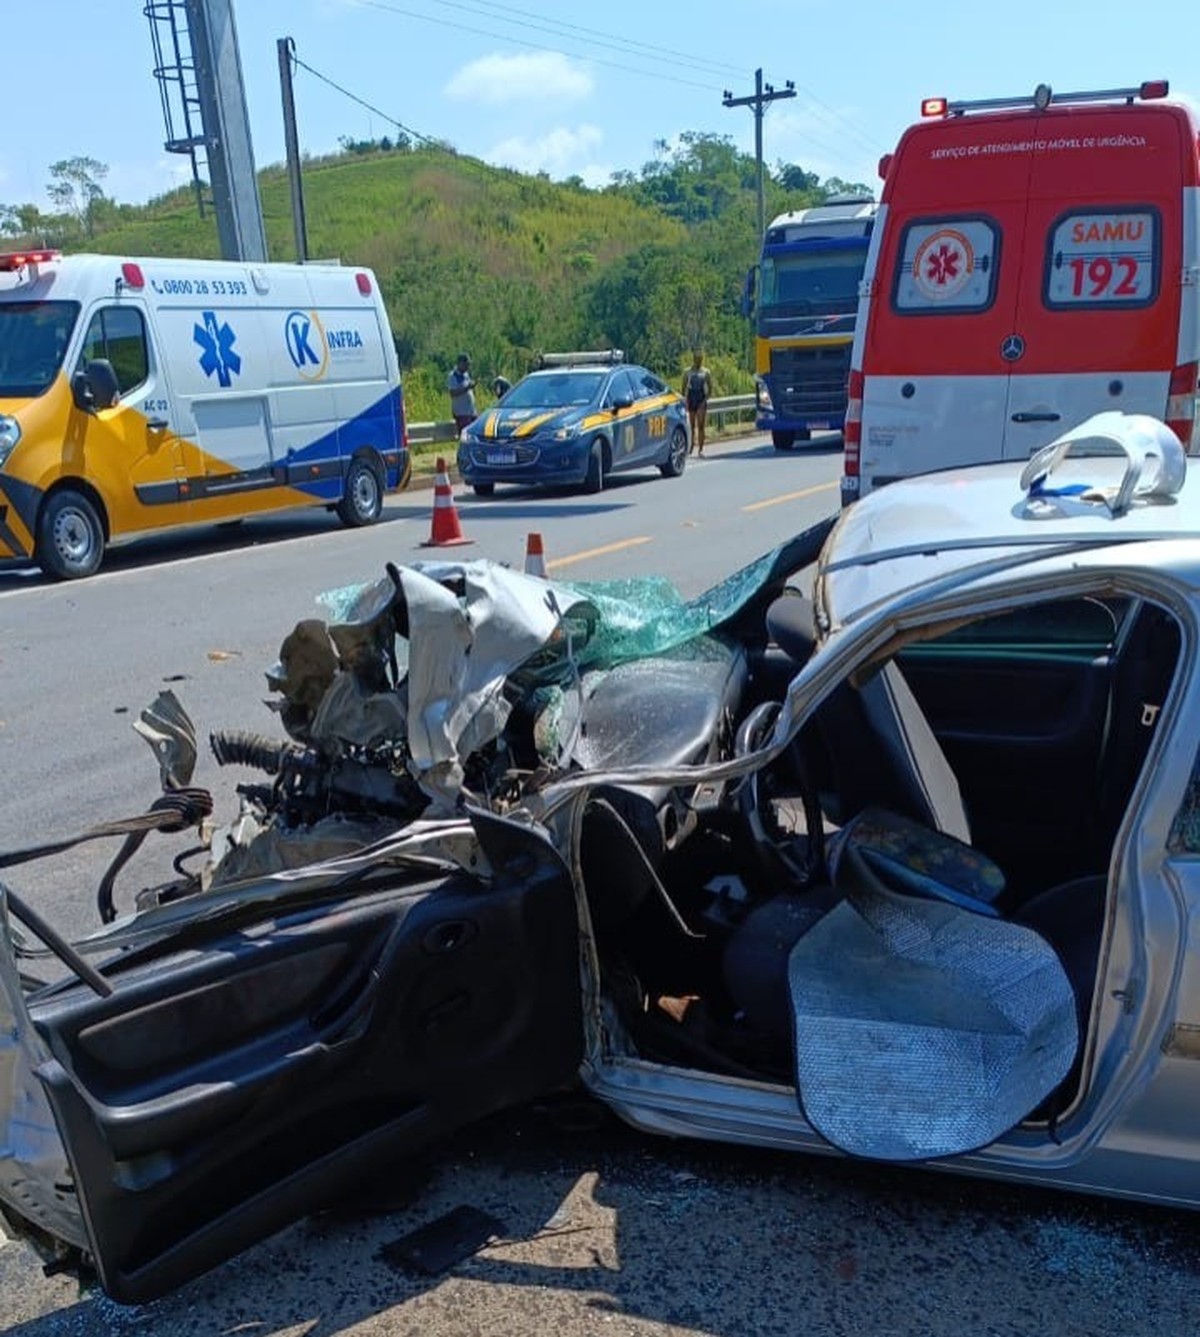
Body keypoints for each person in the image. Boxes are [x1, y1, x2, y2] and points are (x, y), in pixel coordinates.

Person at [682, 351, 713, 456]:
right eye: (697, 359)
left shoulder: (706, 372)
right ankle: (691, 447)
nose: (699, 361)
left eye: (700, 359)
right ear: (694, 359)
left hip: (700, 398)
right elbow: (683, 388)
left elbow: (710, 388)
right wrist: (685, 401)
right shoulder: (687, 372)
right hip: (691, 398)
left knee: (701, 425)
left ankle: (700, 449)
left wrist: (705, 400)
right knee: (691, 426)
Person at [447, 353, 477, 431]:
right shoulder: (453, 376)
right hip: (461, 413)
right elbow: (453, 393)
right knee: (466, 436)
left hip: (471, 412)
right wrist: (467, 388)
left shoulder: (466, 375)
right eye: (466, 364)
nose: (468, 366)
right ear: (460, 363)